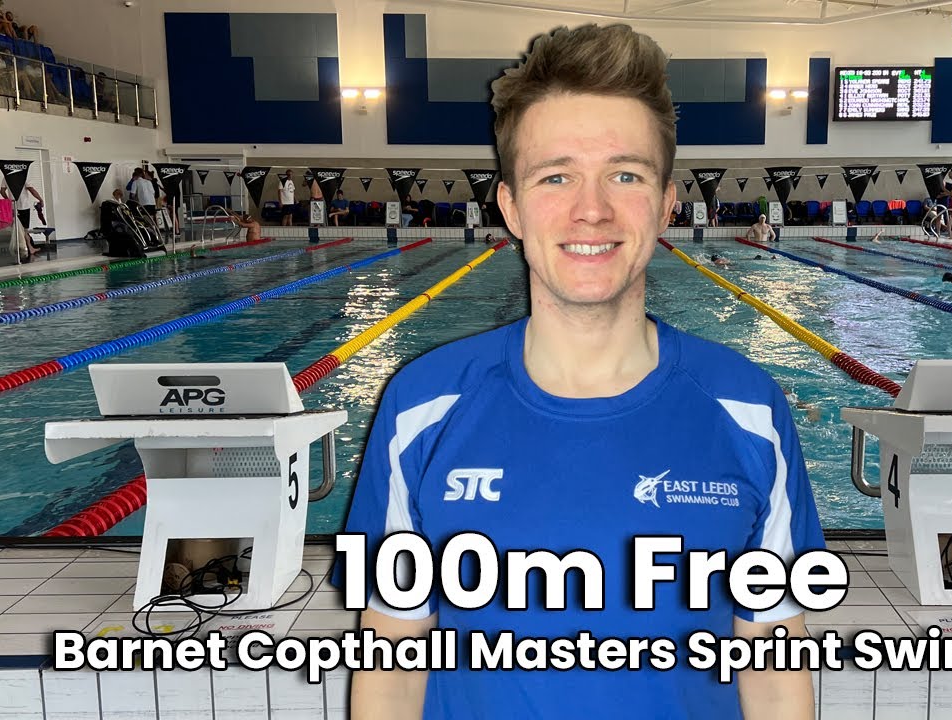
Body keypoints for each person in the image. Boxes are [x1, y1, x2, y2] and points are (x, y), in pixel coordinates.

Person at [335, 23, 824, 720]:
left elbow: (774, 666)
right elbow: (393, 662)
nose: (590, 209)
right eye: (555, 175)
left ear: (665, 204)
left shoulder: (748, 409)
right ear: (511, 208)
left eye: (625, 174)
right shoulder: (423, 408)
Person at [0, 175, 44, 260]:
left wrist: (9, 200)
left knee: (19, 229)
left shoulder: (6, 177)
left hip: (13, 206)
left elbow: (2, 191)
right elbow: (31, 190)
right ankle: (29, 248)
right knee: (25, 229)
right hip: (23, 207)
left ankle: (27, 247)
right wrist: (40, 199)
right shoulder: (23, 176)